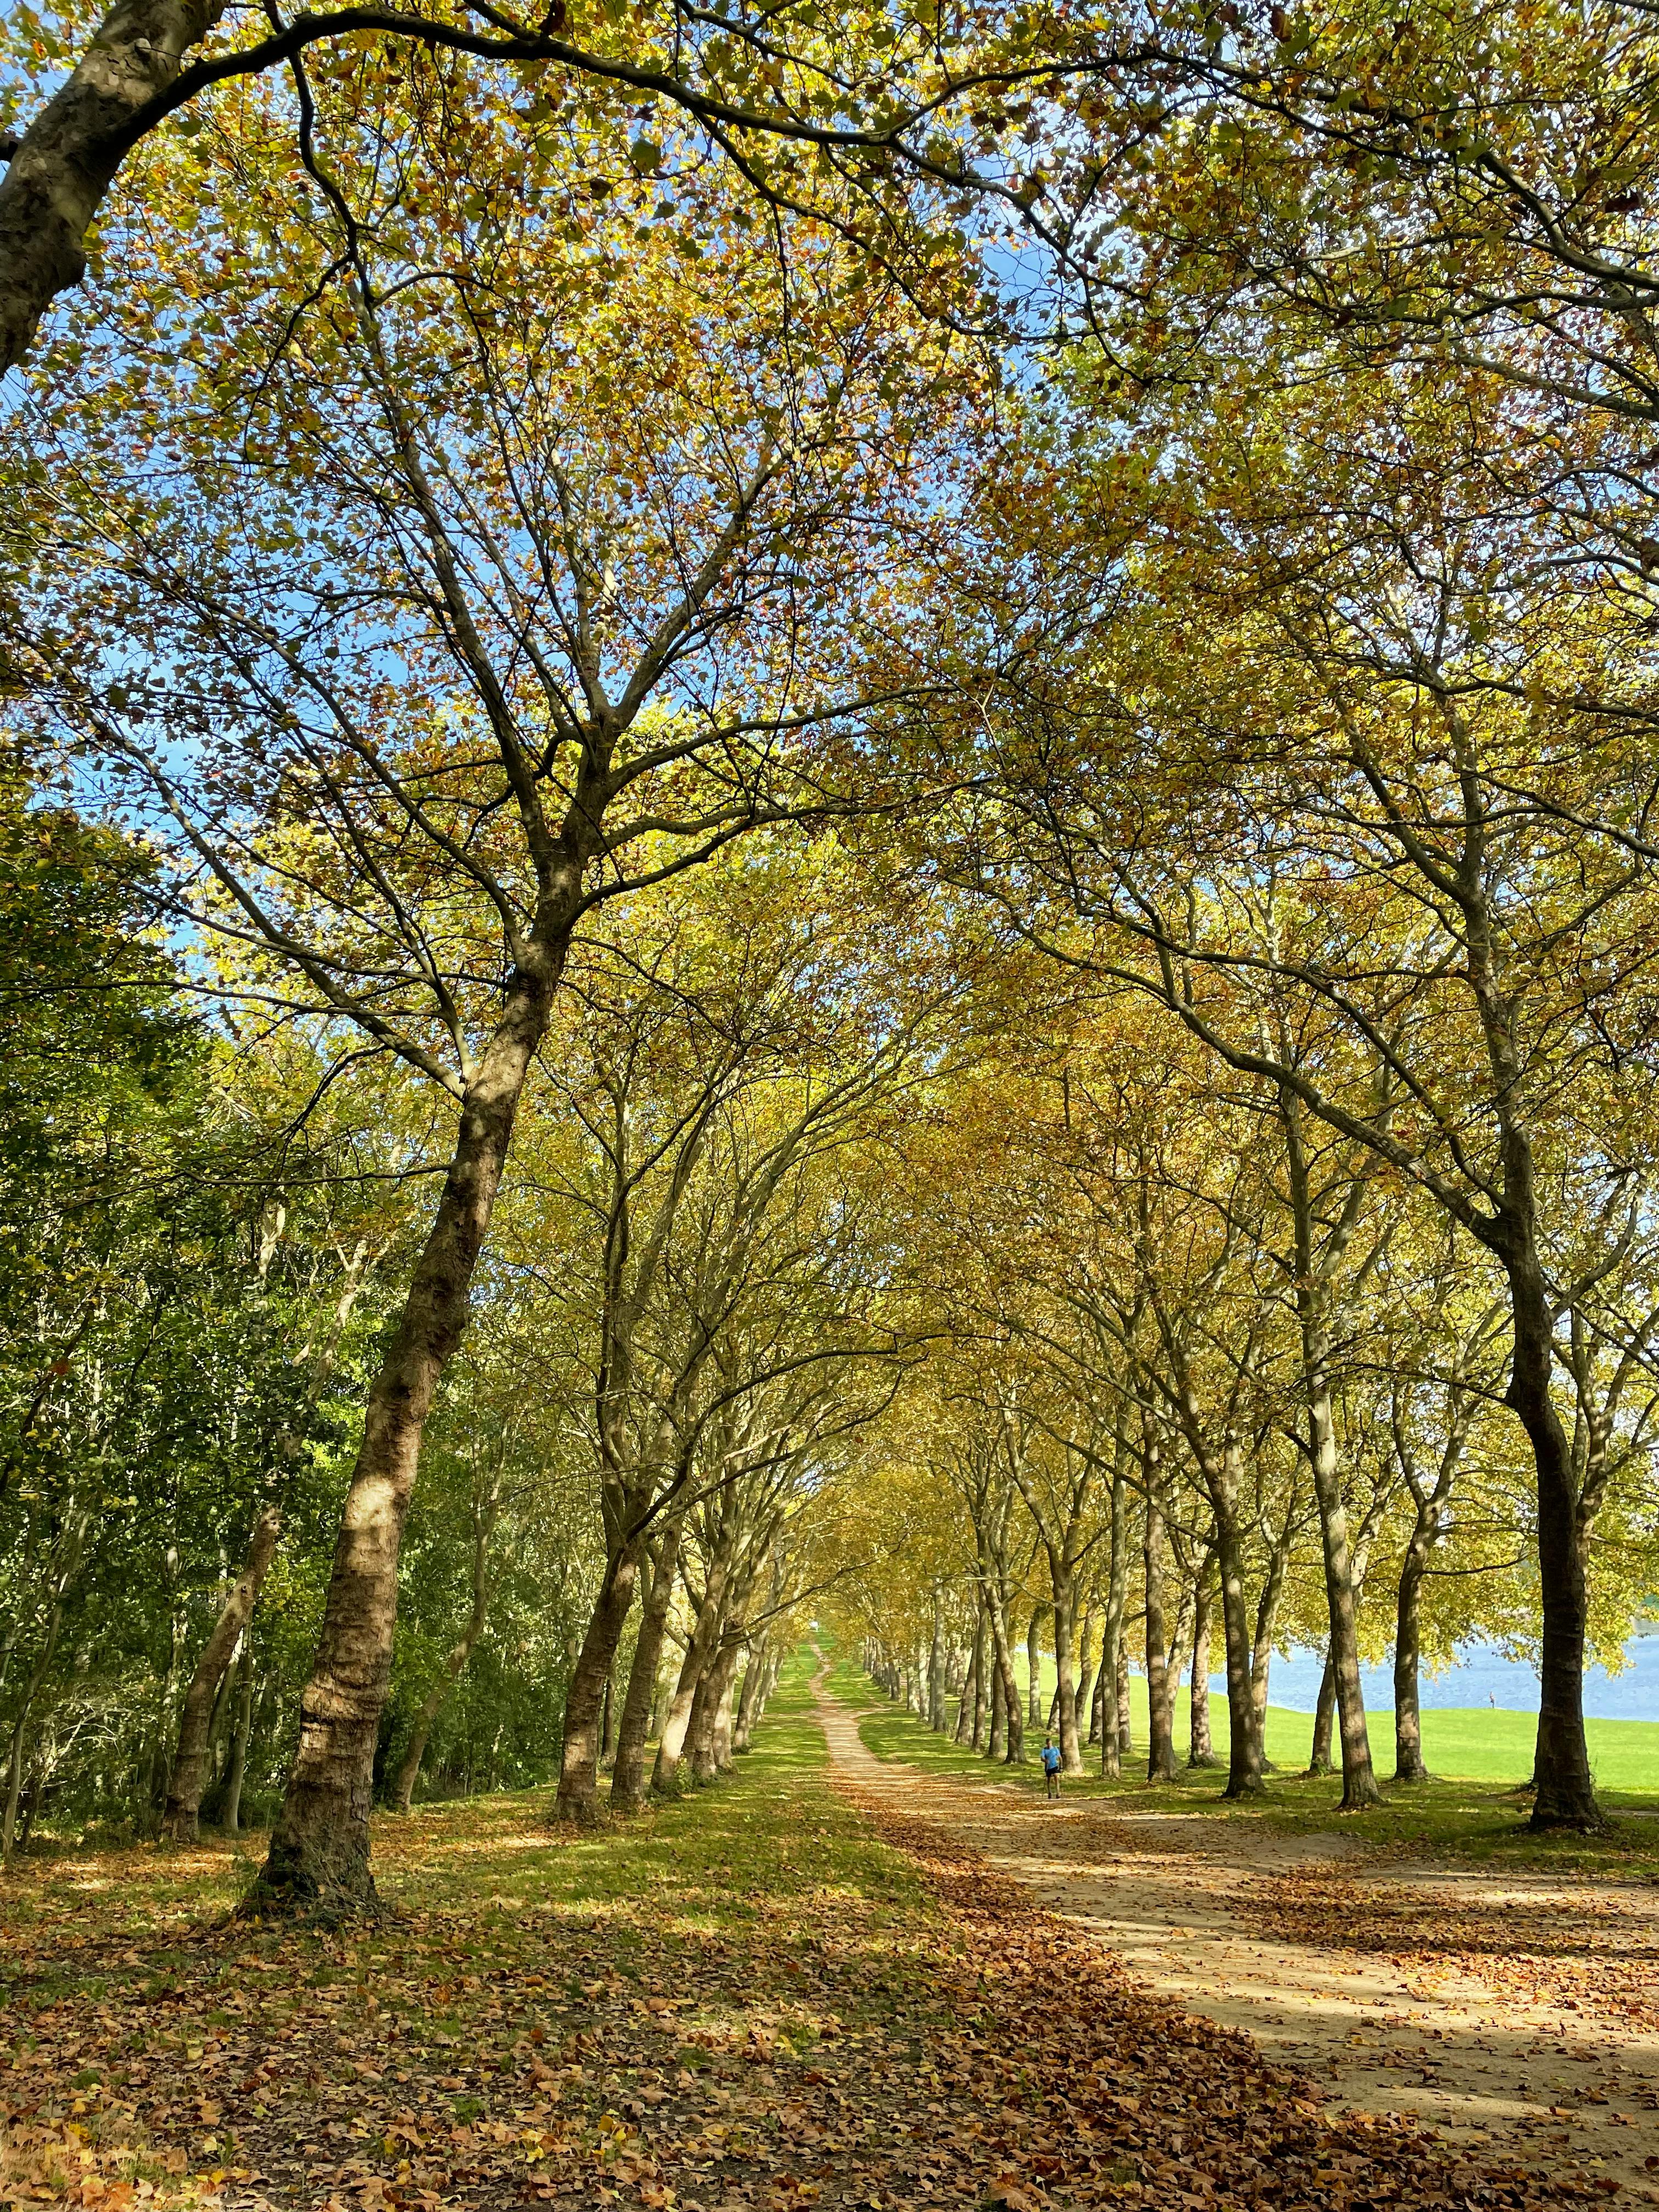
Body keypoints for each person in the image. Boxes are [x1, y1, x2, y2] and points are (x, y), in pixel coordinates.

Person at [1040, 1735, 1062, 1799]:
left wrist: (1061, 1766)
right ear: (1046, 1744)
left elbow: (1060, 1758)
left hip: (1054, 1766)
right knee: (1049, 1780)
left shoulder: (1055, 1749)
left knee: (1056, 1777)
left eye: (1050, 1744)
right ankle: (1050, 1793)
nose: (1049, 1745)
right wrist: (1045, 1760)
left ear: (1051, 1743)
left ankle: (1058, 1793)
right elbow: (1042, 1758)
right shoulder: (1044, 1750)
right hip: (1048, 1767)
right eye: (1048, 1744)